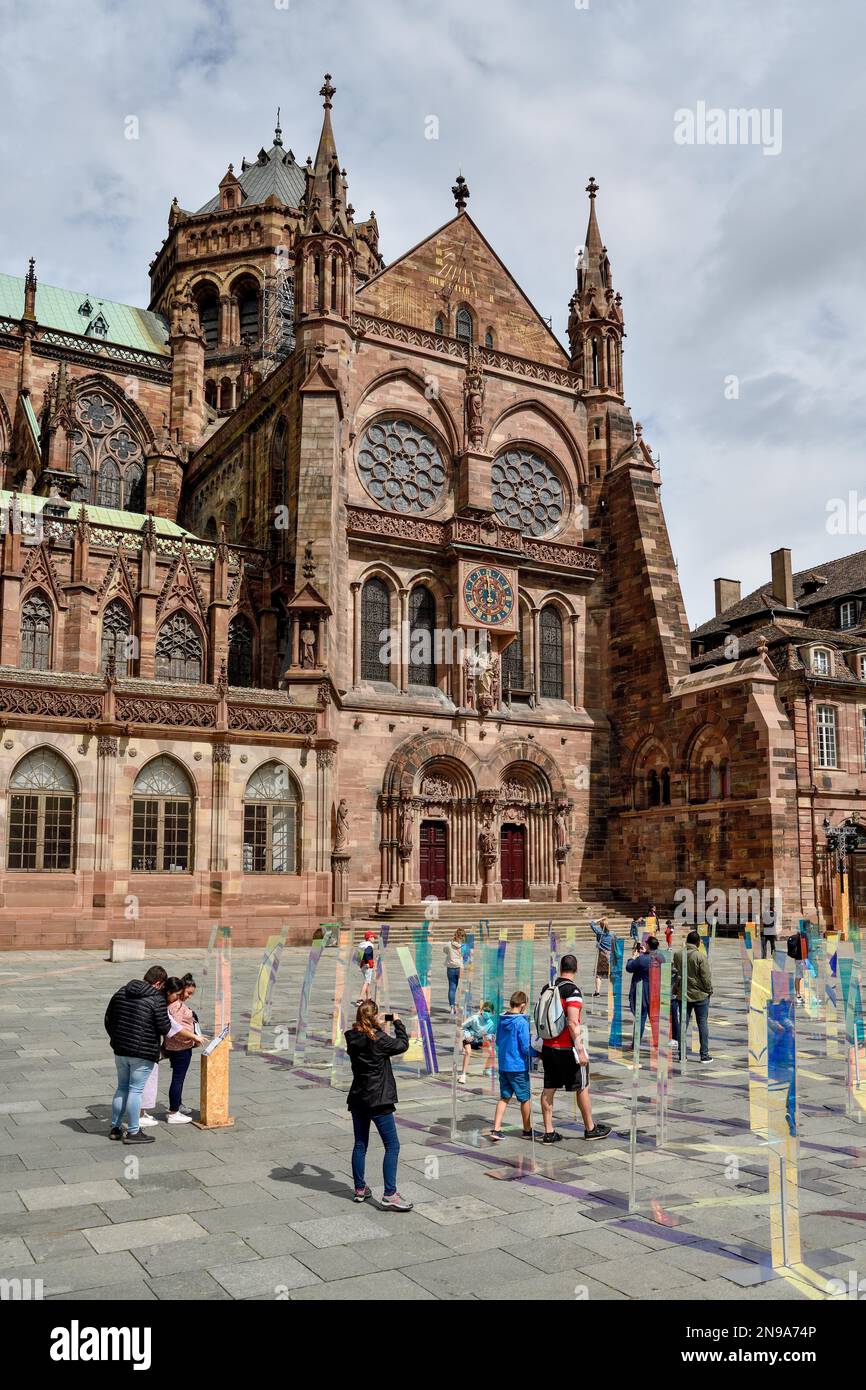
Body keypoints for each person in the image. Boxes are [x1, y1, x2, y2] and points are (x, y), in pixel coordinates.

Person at [345, 1001, 413, 1210]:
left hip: (358, 1098)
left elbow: (365, 1032)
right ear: (374, 1018)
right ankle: (390, 1194)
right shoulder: (379, 1039)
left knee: (360, 1144)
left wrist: (376, 1022)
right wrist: (398, 1023)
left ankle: (359, 1189)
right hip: (379, 1100)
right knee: (392, 1146)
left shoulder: (352, 1037)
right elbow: (403, 1044)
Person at [539, 954, 611, 1145]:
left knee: (549, 1089)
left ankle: (549, 1131)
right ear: (576, 969)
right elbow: (572, 1022)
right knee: (582, 1087)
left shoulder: (548, 987)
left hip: (548, 1046)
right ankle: (590, 1128)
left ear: (561, 968)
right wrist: (580, 1049)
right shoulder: (573, 991)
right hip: (567, 1048)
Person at [104, 964, 171, 1144]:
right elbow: (165, 1027)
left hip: (120, 1050)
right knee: (136, 1090)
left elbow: (108, 1019)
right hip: (143, 1051)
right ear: (158, 983)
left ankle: (115, 1128)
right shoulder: (156, 999)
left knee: (122, 1087)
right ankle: (133, 1131)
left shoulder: (121, 992)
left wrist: (116, 1039)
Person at [489, 991, 533, 1140]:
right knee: (525, 1098)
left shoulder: (502, 1020)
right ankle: (527, 1130)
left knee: (504, 1097)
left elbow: (498, 1041)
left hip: (504, 1065)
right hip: (518, 1066)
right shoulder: (521, 1022)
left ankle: (496, 1128)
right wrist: (537, 1053)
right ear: (522, 1005)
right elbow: (526, 1046)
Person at [164, 974, 206, 1123]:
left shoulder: (179, 1004)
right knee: (178, 1079)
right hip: (179, 1048)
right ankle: (174, 1111)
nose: (189, 996)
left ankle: (178, 1104)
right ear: (181, 990)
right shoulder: (176, 1006)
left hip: (181, 1047)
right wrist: (193, 1037)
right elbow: (175, 1029)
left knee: (179, 1078)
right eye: (188, 993)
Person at [671, 931, 713, 1063]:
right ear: (698, 942)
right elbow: (705, 977)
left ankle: (682, 1054)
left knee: (683, 1024)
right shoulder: (700, 956)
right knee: (702, 1024)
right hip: (700, 994)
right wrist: (709, 990)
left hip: (683, 994)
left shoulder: (677, 954)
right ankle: (704, 1055)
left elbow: (675, 972)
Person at [626, 936, 660, 1042]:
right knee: (655, 1019)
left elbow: (629, 967)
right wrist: (646, 953)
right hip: (656, 991)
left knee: (640, 1018)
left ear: (648, 945)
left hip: (643, 991)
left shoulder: (642, 959)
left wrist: (633, 957)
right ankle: (657, 1042)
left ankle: (635, 1043)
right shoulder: (661, 957)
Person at [457, 1000, 496, 1084]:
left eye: (489, 1011)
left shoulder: (491, 1024)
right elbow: (463, 1026)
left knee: (492, 1051)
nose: (486, 1013)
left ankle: (487, 1069)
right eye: (485, 1010)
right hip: (468, 1039)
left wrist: (490, 1037)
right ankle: (463, 1074)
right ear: (481, 1010)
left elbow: (489, 1034)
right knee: (468, 1052)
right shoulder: (474, 1018)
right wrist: (468, 1036)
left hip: (479, 1040)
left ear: (492, 1013)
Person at [443, 928, 466, 1015]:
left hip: (451, 968)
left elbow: (445, 951)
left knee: (452, 987)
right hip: (460, 968)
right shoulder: (464, 946)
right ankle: (461, 1007)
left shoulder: (448, 944)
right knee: (461, 988)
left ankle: (452, 1007)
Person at [589, 917, 613, 997]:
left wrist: (600, 919)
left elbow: (591, 923)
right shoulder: (612, 934)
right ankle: (613, 992)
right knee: (612, 974)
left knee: (599, 974)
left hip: (602, 955)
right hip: (611, 955)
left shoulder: (599, 932)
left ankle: (597, 992)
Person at [786, 926, 807, 1001]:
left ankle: (798, 994)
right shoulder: (802, 938)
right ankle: (801, 994)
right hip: (801, 959)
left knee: (799, 976)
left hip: (799, 959)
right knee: (803, 976)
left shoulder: (799, 937)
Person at [357, 930, 376, 1003]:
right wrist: (370, 963)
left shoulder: (362, 945)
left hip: (362, 965)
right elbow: (367, 954)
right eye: (373, 937)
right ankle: (360, 999)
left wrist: (361, 962)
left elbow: (358, 955)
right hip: (367, 965)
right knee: (366, 982)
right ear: (370, 937)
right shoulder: (369, 946)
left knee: (367, 980)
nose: (374, 938)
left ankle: (369, 998)